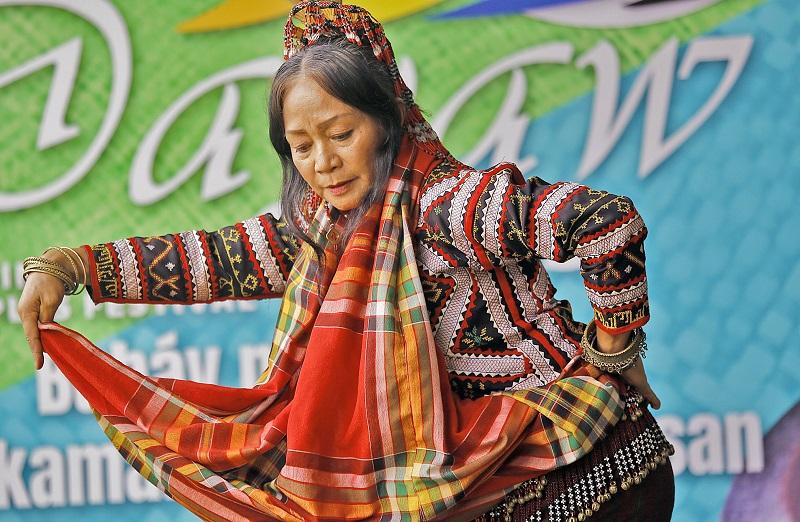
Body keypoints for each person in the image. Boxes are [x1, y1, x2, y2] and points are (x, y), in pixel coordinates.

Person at [17, 2, 674, 520]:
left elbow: (605, 223)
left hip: (580, 474)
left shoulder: (447, 207)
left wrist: (614, 352)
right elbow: (211, 259)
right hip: (463, 481)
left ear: (384, 120)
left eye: (341, 134)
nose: (322, 163)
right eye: (301, 146)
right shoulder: (321, 229)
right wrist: (71, 266)